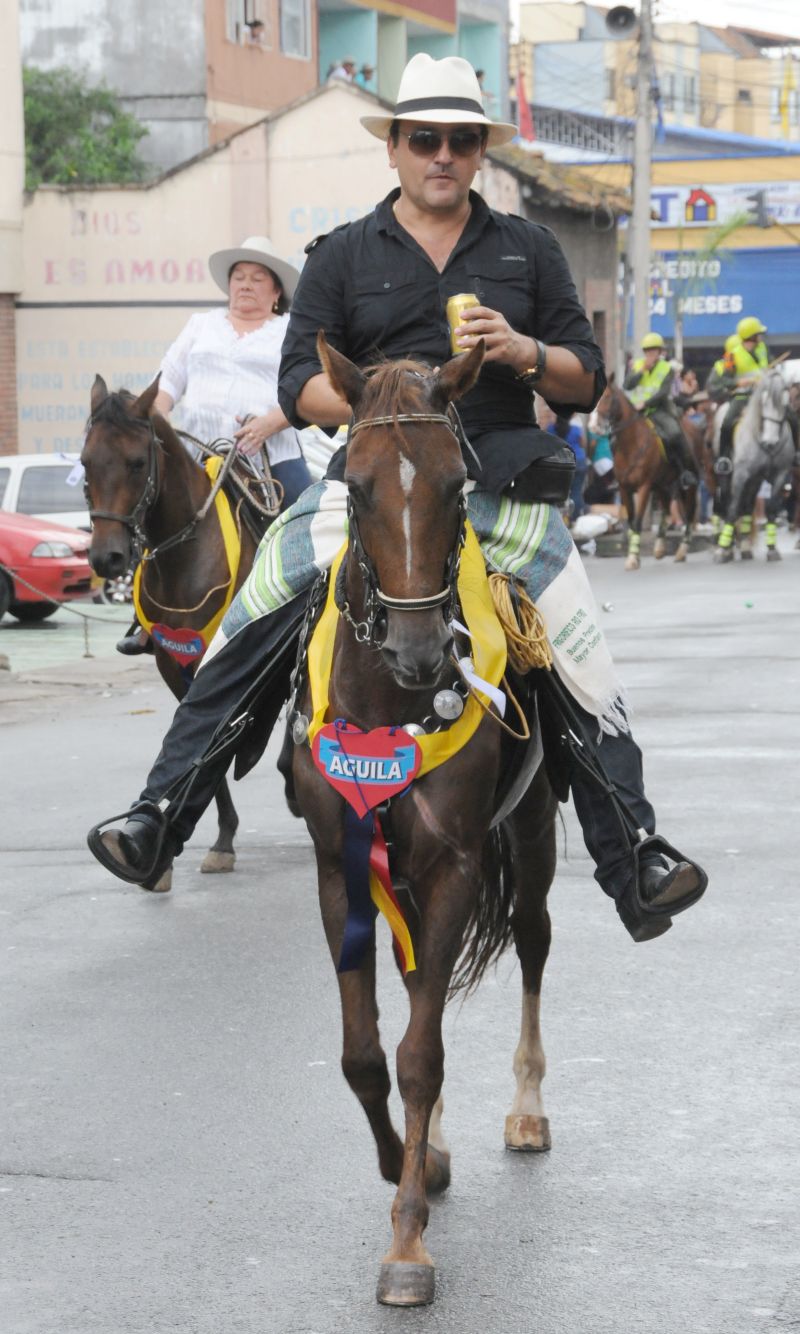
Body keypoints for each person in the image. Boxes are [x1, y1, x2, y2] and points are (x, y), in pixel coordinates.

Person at [90, 54, 704, 943]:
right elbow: (300, 381)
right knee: (254, 611)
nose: (443, 154)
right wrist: (390, 405)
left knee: (577, 642)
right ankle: (162, 812)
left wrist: (523, 351)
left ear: (479, 151)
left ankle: (634, 853)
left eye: (461, 140)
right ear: (398, 150)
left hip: (498, 485)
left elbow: (585, 378)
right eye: (426, 139)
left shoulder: (527, 249)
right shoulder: (341, 255)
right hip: (369, 484)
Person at [116, 235, 312, 655]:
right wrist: (159, 418)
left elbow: (303, 392)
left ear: (276, 291)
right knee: (147, 515)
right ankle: (144, 618)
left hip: (268, 457)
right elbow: (167, 381)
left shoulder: (289, 331)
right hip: (196, 455)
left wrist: (268, 424)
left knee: (307, 518)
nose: (245, 284)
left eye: (258, 278)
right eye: (238, 276)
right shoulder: (200, 325)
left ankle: (308, 614)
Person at [624, 333, 696, 484]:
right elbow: (627, 385)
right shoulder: (638, 365)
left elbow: (663, 392)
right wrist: (641, 370)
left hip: (658, 410)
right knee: (617, 434)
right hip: (637, 412)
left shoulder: (666, 368)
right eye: (648, 351)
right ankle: (619, 471)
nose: (650, 354)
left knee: (675, 433)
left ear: (660, 352)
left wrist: (646, 403)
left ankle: (684, 471)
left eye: (654, 350)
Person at [718, 316, 769, 461]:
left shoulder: (763, 349)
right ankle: (724, 458)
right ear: (752, 336)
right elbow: (725, 381)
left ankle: (795, 453)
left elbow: (770, 366)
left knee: (789, 414)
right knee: (727, 423)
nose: (761, 336)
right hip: (742, 397)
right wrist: (741, 382)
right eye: (758, 334)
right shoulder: (731, 355)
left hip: (764, 395)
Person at [705, 334, 740, 406]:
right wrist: (729, 391)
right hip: (723, 401)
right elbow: (712, 389)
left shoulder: (746, 364)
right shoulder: (721, 366)